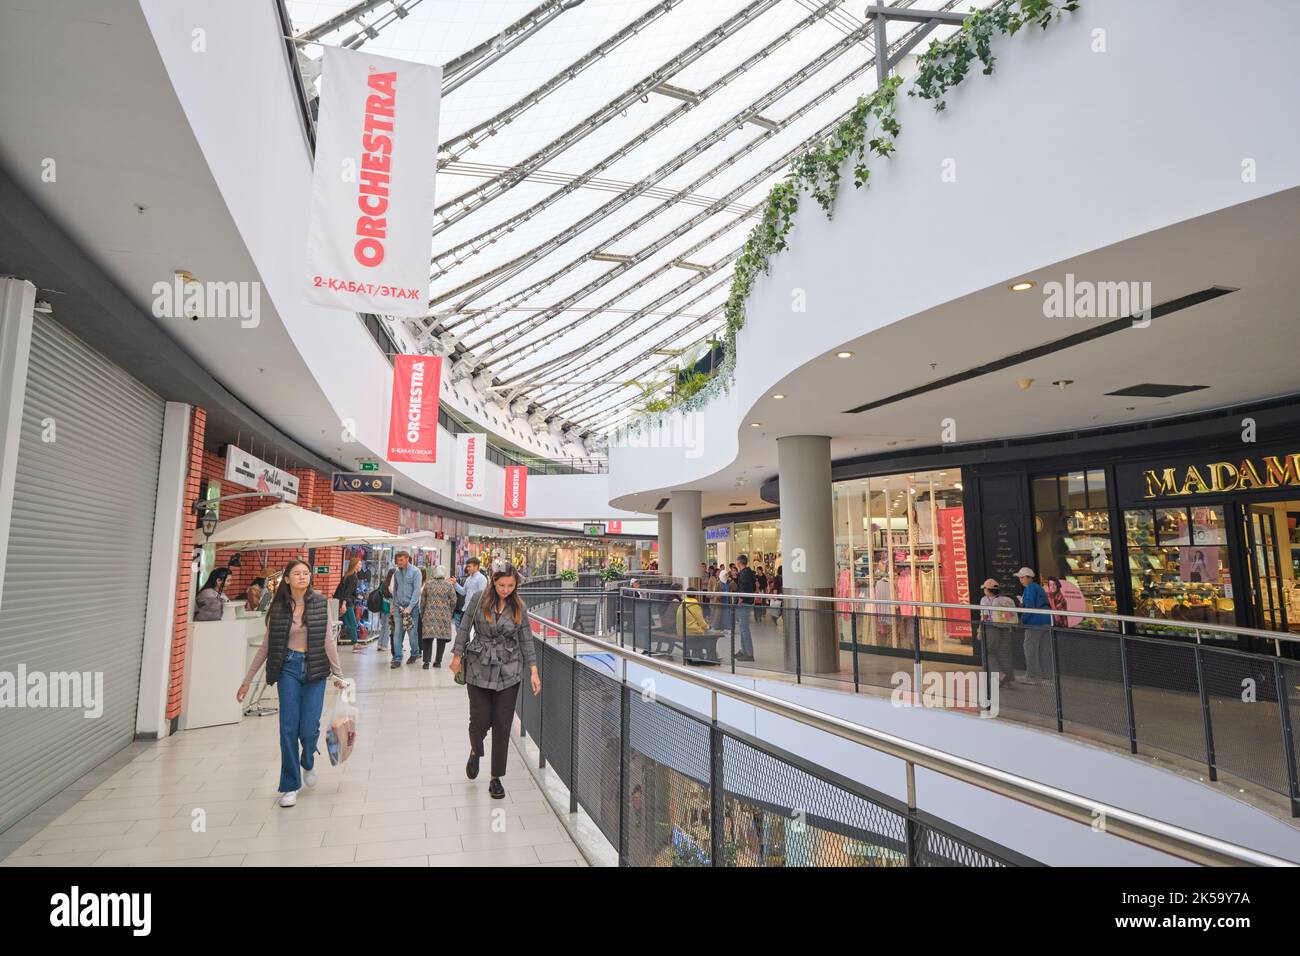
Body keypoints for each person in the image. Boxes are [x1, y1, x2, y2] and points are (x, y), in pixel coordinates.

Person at [237, 559, 346, 808]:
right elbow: (266, 646)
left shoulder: (320, 604)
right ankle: (289, 784)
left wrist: (339, 675)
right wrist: (246, 681)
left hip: (315, 670)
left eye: (306, 573)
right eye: (297, 573)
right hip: (288, 668)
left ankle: (307, 760)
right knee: (288, 728)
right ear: (286, 579)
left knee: (309, 729)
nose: (302, 577)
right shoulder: (279, 608)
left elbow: (329, 641)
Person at [450, 566, 541, 799]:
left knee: (502, 724)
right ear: (493, 582)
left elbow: (526, 638)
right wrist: (457, 656)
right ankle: (475, 750)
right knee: (479, 720)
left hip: (509, 669)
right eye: (502, 585)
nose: (505, 590)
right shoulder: (480, 599)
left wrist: (533, 670)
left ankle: (495, 777)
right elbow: (464, 627)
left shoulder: (518, 606)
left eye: (511, 586)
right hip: (479, 664)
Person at [1017, 567, 1053, 685]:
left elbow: (1029, 606)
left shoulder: (1030, 588)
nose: (1021, 580)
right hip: (1046, 620)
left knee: (1029, 648)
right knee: (1044, 649)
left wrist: (1022, 620)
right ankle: (1047, 677)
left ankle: (1031, 676)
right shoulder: (1038, 587)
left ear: (1029, 577)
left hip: (1035, 622)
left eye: (1022, 577)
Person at [979, 578, 1018, 687]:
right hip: (1005, 628)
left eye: (985, 588)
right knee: (1004, 654)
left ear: (987, 590)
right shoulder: (1004, 599)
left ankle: (1000, 675)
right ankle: (1008, 680)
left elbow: (985, 616)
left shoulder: (985, 600)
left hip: (991, 628)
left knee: (988, 653)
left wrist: (979, 630)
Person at [420, 565, 458, 669]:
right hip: (443, 616)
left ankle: (426, 662)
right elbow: (454, 600)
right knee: (441, 639)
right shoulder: (448, 585)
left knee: (428, 639)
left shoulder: (428, 584)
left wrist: (422, 613)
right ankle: (438, 662)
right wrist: (449, 611)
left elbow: (422, 601)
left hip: (429, 615)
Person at [390, 551, 422, 668]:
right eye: (398, 561)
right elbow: (395, 590)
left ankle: (414, 653)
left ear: (407, 559)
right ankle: (397, 658)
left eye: (401, 560)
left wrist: (409, 608)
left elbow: (416, 591)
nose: (399, 563)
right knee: (397, 633)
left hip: (411, 609)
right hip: (399, 607)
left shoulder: (416, 572)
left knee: (412, 633)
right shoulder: (397, 573)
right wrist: (393, 604)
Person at [334, 556, 361, 645]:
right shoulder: (353, 577)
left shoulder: (347, 575)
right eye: (359, 564)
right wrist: (344, 604)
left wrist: (357, 595)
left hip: (342, 601)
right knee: (352, 623)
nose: (361, 566)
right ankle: (355, 643)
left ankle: (353, 642)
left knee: (347, 623)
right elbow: (347, 593)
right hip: (347, 603)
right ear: (354, 565)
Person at [734, 555, 757, 661]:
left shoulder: (744, 574)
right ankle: (744, 651)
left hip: (744, 603)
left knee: (744, 629)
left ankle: (748, 653)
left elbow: (744, 588)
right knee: (743, 628)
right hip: (748, 602)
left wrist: (740, 600)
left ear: (739, 562)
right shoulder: (748, 572)